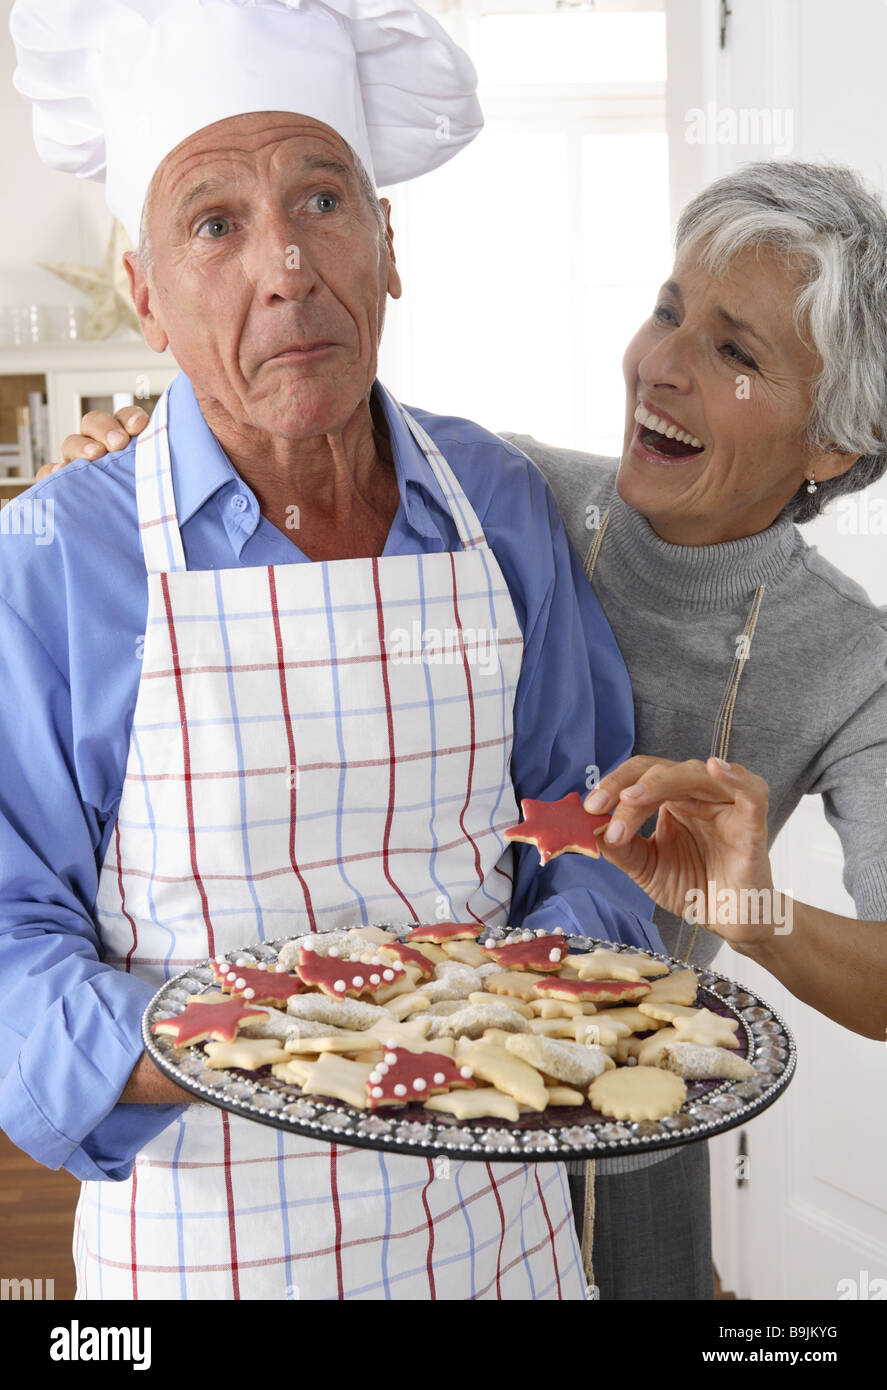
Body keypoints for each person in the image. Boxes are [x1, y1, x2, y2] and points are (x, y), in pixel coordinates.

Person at [67, 160, 887, 1300]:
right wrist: (133, 448)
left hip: (636, 1130)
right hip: (437, 1101)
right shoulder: (510, 495)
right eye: (666, 310)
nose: (660, 365)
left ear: (835, 444)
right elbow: (281, 440)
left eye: (733, 353)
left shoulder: (854, 660)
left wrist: (744, 908)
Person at [2, 0, 662, 1300]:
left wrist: (529, 1001)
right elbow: (10, 929)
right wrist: (260, 1045)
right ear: (144, 295)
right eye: (214, 223)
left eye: (320, 201)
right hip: (208, 1243)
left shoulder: (500, 502)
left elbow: (579, 818)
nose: (286, 268)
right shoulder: (56, 558)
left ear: (388, 245)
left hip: (500, 1215)